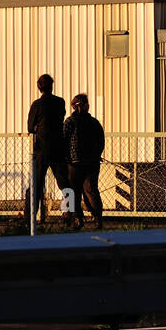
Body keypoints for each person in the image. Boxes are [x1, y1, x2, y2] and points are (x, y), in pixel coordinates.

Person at [24, 73, 67, 228]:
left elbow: (30, 127)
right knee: (65, 184)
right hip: (58, 148)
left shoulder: (36, 105)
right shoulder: (60, 102)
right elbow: (60, 118)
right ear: (51, 86)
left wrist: (37, 127)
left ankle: (30, 220)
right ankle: (69, 215)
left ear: (39, 87)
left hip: (41, 149)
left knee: (36, 184)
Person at [62, 94, 105, 230]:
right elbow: (101, 141)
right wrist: (96, 154)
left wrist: (66, 158)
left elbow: (63, 140)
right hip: (92, 162)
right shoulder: (94, 123)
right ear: (85, 105)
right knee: (91, 190)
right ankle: (97, 218)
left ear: (74, 107)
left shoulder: (70, 122)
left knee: (72, 191)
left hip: (74, 163)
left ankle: (75, 219)